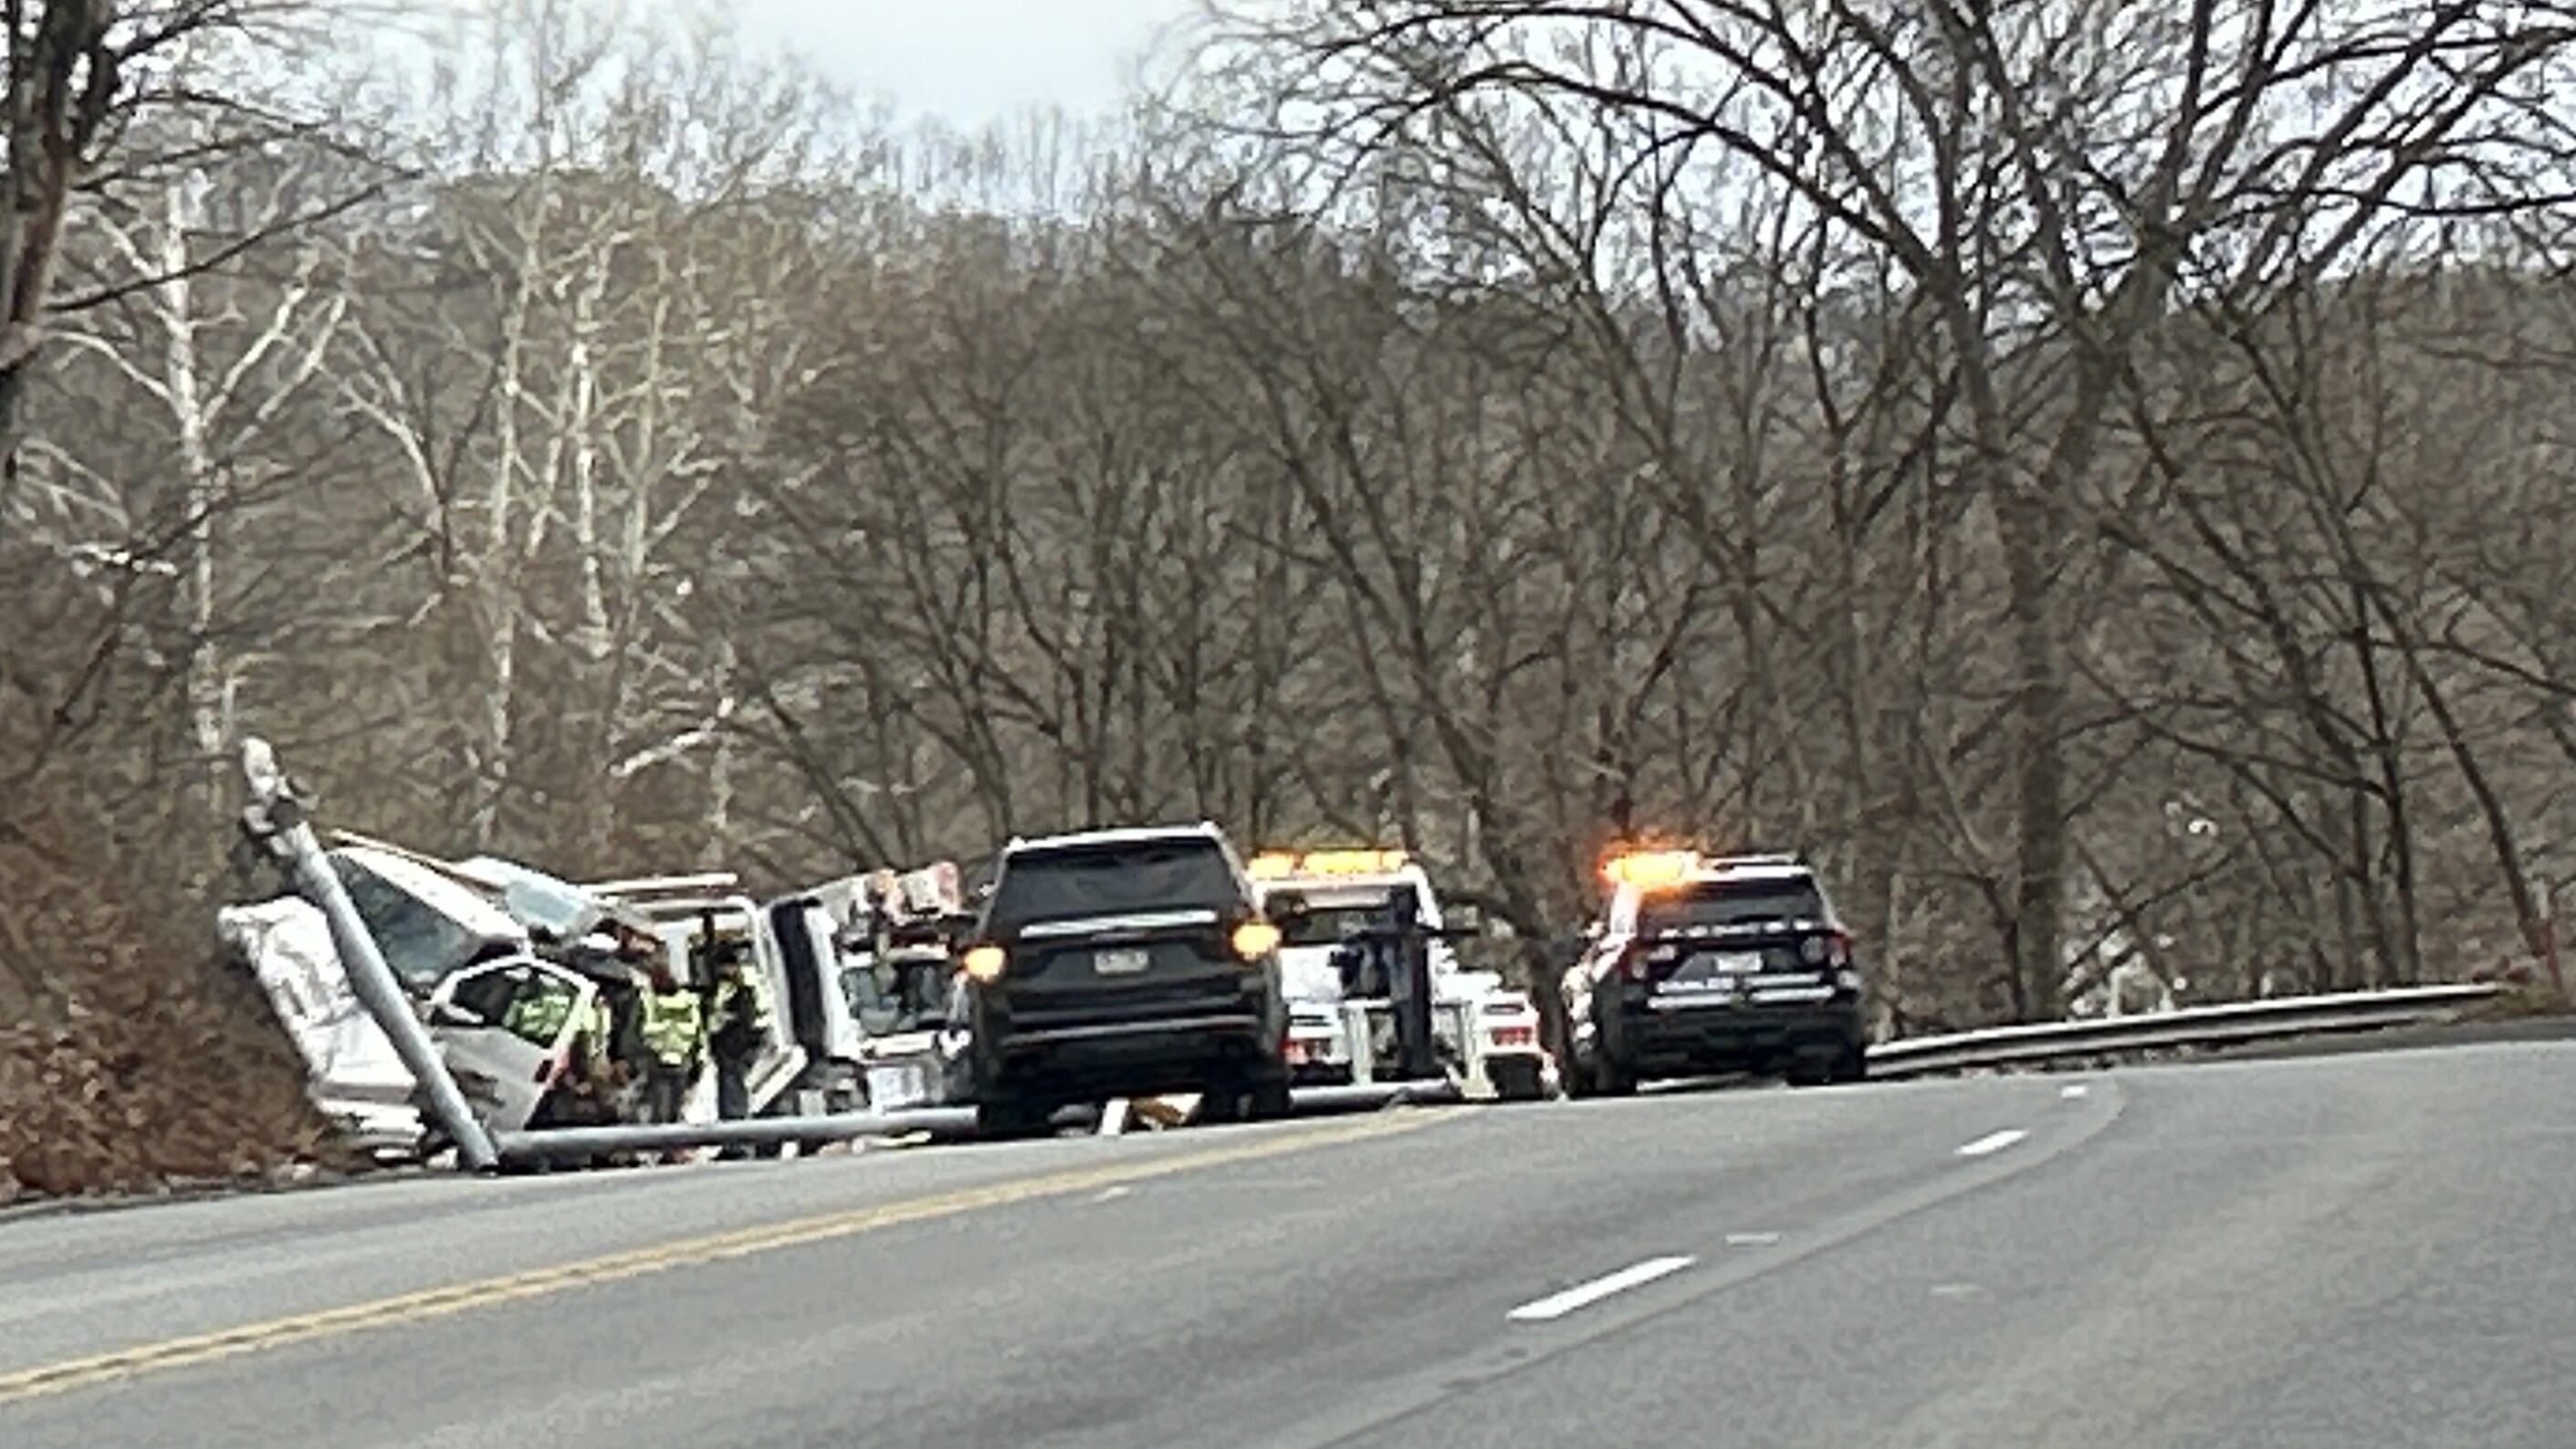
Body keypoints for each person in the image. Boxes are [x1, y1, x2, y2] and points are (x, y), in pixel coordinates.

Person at [704, 938, 773, 1159]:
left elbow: (745, 1015)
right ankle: (734, 1142)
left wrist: (723, 1028)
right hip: (741, 1044)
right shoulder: (741, 983)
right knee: (732, 1093)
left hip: (739, 1045)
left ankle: (737, 1145)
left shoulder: (742, 986)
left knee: (733, 1095)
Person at [635, 955, 705, 1129]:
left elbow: (639, 1030)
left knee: (659, 1108)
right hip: (683, 1059)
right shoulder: (690, 1001)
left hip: (657, 1059)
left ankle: (662, 1147)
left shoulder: (648, 1000)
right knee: (676, 1106)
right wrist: (699, 1061)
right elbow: (698, 1033)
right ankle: (673, 1147)